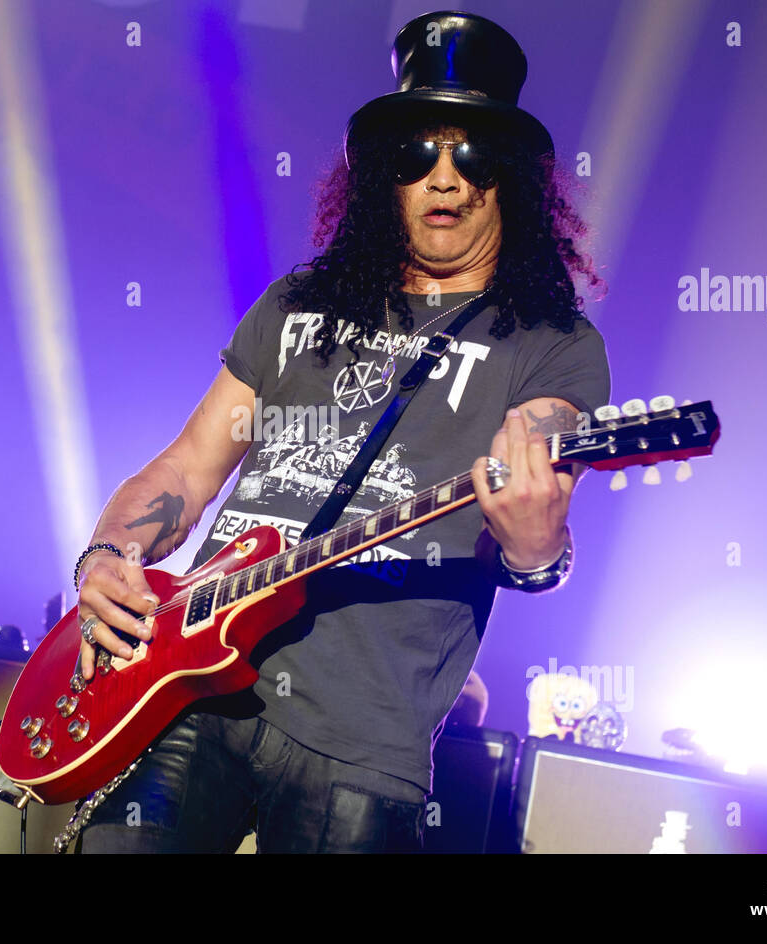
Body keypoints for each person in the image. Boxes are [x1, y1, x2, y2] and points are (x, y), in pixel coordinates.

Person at [71, 11, 611, 853]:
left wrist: (538, 549)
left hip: (365, 741)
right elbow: (186, 466)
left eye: (470, 153)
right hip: (194, 683)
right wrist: (107, 554)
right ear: (380, 177)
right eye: (415, 154)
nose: (442, 178)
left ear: (509, 177)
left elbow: (538, 484)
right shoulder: (297, 304)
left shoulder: (551, 343)